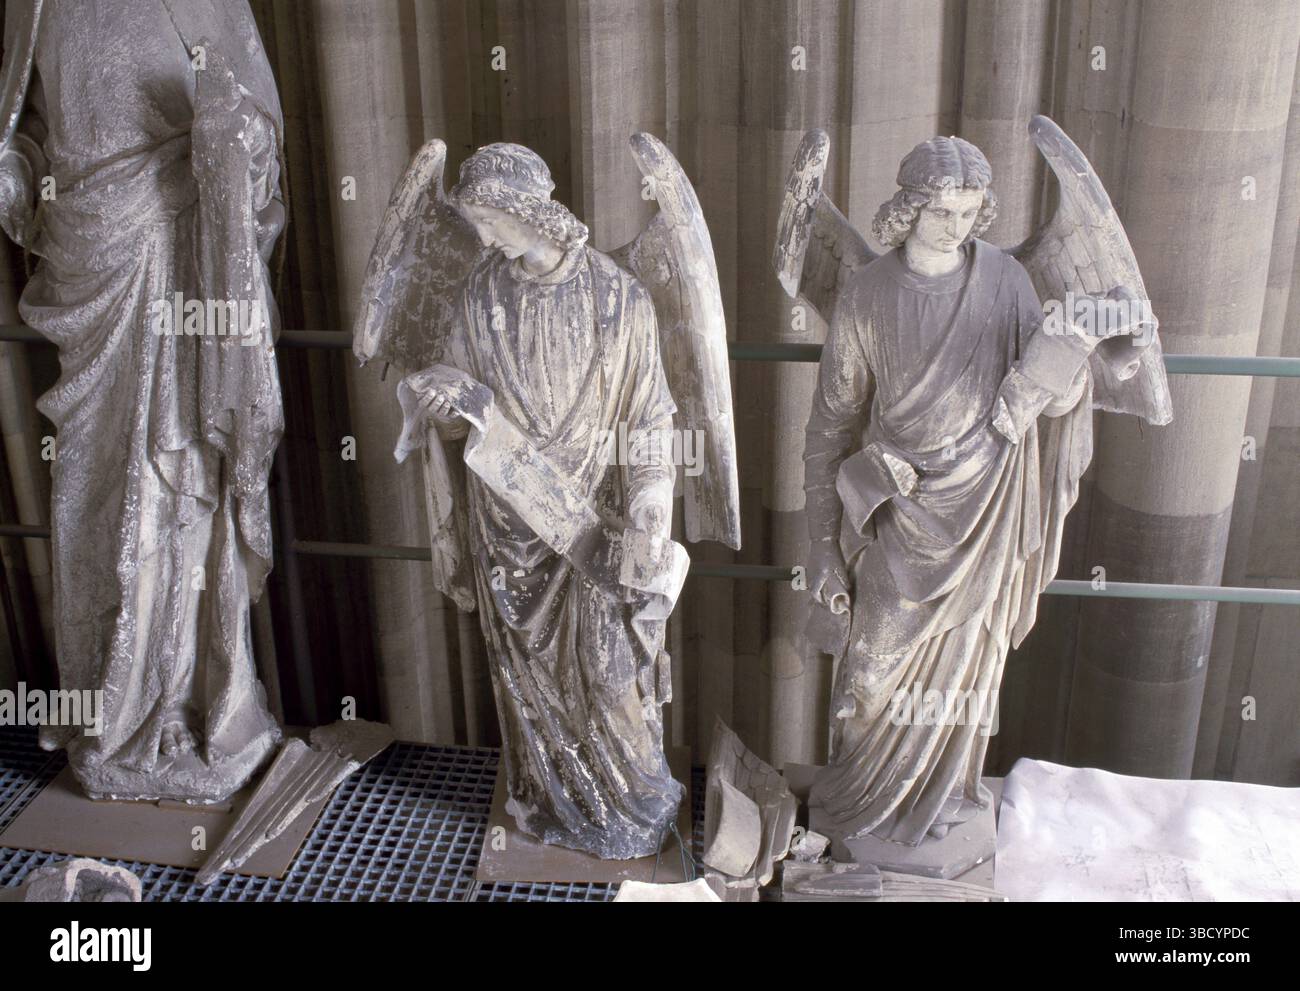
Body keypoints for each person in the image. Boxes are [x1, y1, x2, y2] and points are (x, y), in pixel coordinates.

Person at [0, 0, 286, 802]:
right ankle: (114, 712)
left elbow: (259, 139)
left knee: (185, 478)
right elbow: (21, 127)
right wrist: (13, 172)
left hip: (189, 268)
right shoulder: (35, 5)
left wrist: (238, 147)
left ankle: (196, 704)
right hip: (93, 264)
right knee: (97, 500)